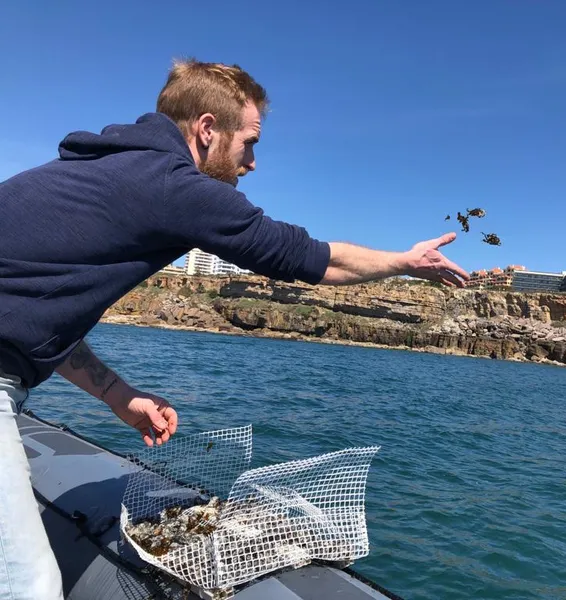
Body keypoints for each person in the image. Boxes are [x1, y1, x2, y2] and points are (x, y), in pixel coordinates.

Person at [0, 58, 469, 599]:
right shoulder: (172, 185)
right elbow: (305, 257)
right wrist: (404, 262)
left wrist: (118, 396)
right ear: (206, 130)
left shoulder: (104, 172)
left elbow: (30, 317)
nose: (252, 162)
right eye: (249, 142)